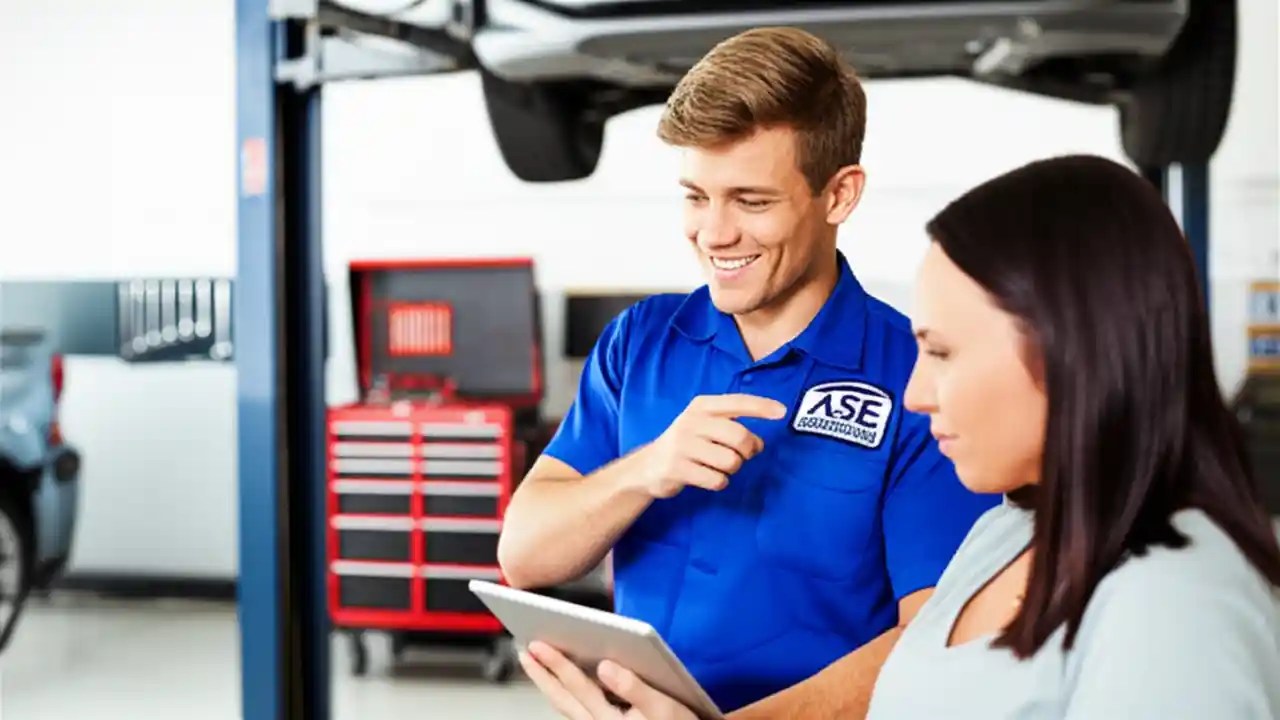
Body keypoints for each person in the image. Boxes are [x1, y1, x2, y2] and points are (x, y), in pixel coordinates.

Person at [518, 155, 1280, 719]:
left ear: (1072, 352)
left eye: (942, 352)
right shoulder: (1005, 532)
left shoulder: (1177, 603)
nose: (914, 392)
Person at [498, 26, 999, 716]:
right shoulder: (638, 342)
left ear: (839, 195)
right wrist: (647, 469)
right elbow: (524, 555)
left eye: (751, 201)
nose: (714, 233)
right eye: (696, 196)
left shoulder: (918, 379)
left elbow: (936, 642)